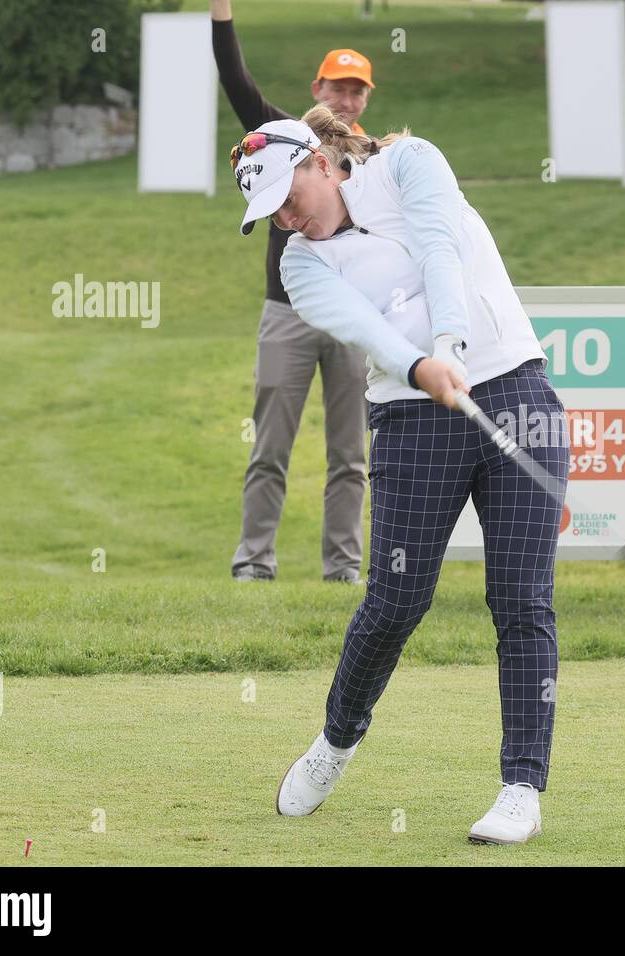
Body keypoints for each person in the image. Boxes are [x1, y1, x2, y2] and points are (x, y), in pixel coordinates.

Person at [230, 107, 566, 845]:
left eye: (290, 197)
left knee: (521, 600)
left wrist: (448, 338)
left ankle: (520, 787)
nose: (287, 219)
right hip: (411, 417)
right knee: (396, 600)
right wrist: (421, 366)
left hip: (514, 387)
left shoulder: (409, 163)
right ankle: (335, 742)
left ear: (321, 161)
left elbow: (443, 248)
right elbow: (364, 329)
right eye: (272, 213)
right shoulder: (299, 262)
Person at [211, 0, 376, 583]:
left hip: (352, 317)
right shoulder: (283, 137)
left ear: (367, 98)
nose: (346, 100)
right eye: (337, 87)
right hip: (287, 313)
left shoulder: (370, 158)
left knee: (351, 455)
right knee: (270, 447)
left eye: (357, 91)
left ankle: (343, 569)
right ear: (318, 87)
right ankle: (253, 562)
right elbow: (235, 80)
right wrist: (221, 14)